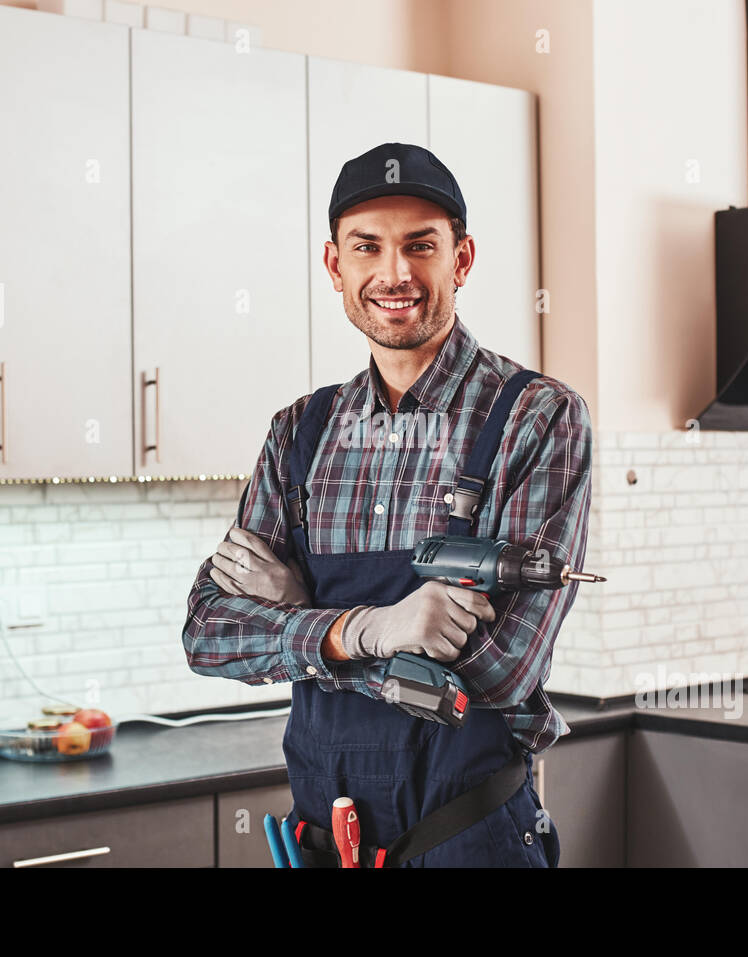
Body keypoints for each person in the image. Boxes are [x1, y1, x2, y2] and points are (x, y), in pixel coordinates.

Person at [182, 142, 594, 867]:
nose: (393, 274)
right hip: (325, 842)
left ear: (461, 260)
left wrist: (301, 616)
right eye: (367, 247)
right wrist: (374, 628)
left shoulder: (537, 418)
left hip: (471, 837)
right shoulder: (298, 433)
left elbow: (500, 674)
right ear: (334, 265)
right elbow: (209, 633)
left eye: (420, 246)